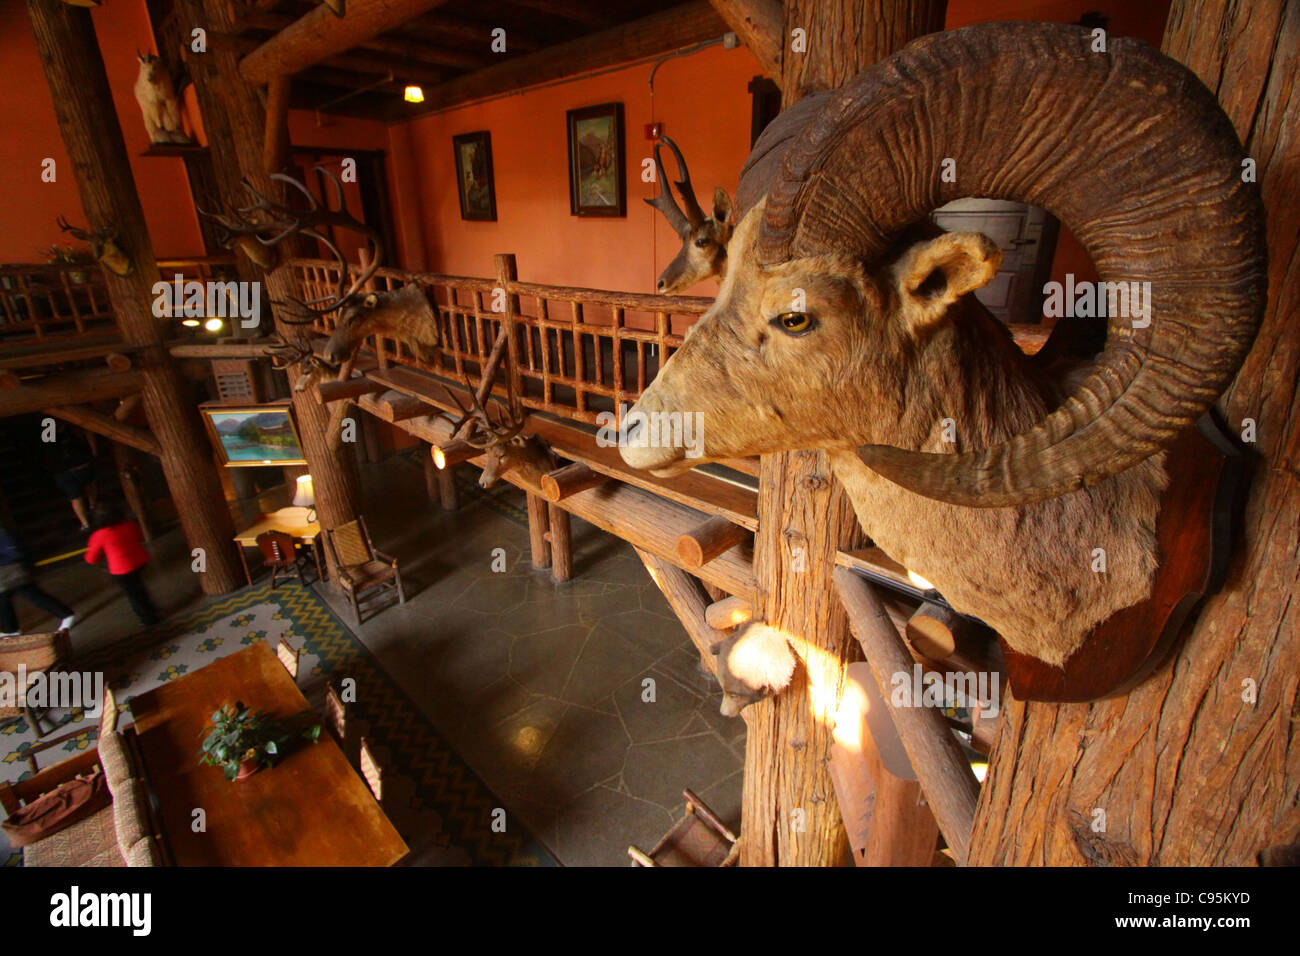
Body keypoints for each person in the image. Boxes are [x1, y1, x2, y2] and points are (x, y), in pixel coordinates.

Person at [84, 503, 158, 627]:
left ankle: (148, 619)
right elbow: (139, 536)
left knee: (133, 595)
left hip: (121, 569)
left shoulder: (99, 535)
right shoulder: (130, 525)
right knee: (140, 587)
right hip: (140, 560)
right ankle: (152, 610)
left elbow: (91, 558)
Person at [0, 525, 76, 637]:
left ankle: (66, 614)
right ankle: (10, 630)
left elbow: (14, 553)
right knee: (4, 600)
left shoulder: (2, 534)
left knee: (33, 595)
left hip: (12, 571)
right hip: (6, 573)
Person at [45, 427, 98, 531]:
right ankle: (94, 510)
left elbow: (48, 451)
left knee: (75, 497)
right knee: (89, 487)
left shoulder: (49, 429)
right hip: (81, 465)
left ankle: (85, 523)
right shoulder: (74, 429)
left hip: (65, 470)